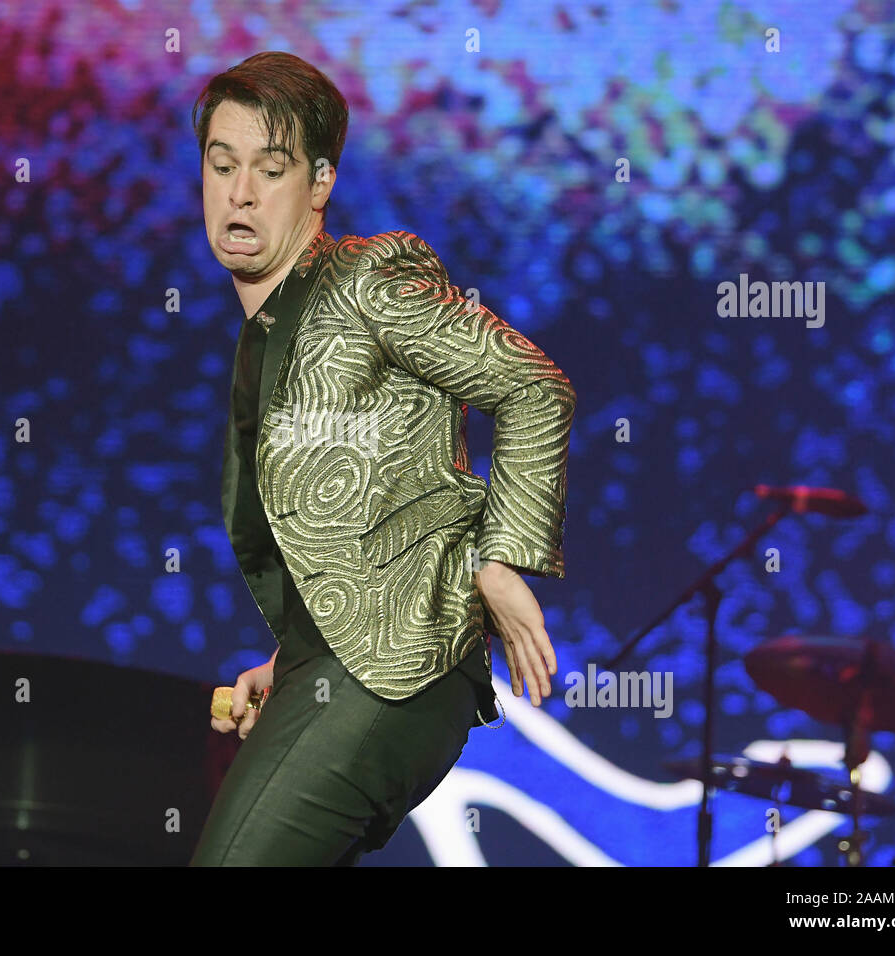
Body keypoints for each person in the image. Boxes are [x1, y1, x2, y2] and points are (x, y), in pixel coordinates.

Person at [188, 51, 576, 866]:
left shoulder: (366, 282)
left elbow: (533, 387)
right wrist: (293, 654)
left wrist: (499, 562)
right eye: (222, 165)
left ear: (319, 183)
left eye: (271, 167)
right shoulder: (260, 341)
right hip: (330, 667)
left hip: (393, 674)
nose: (241, 191)